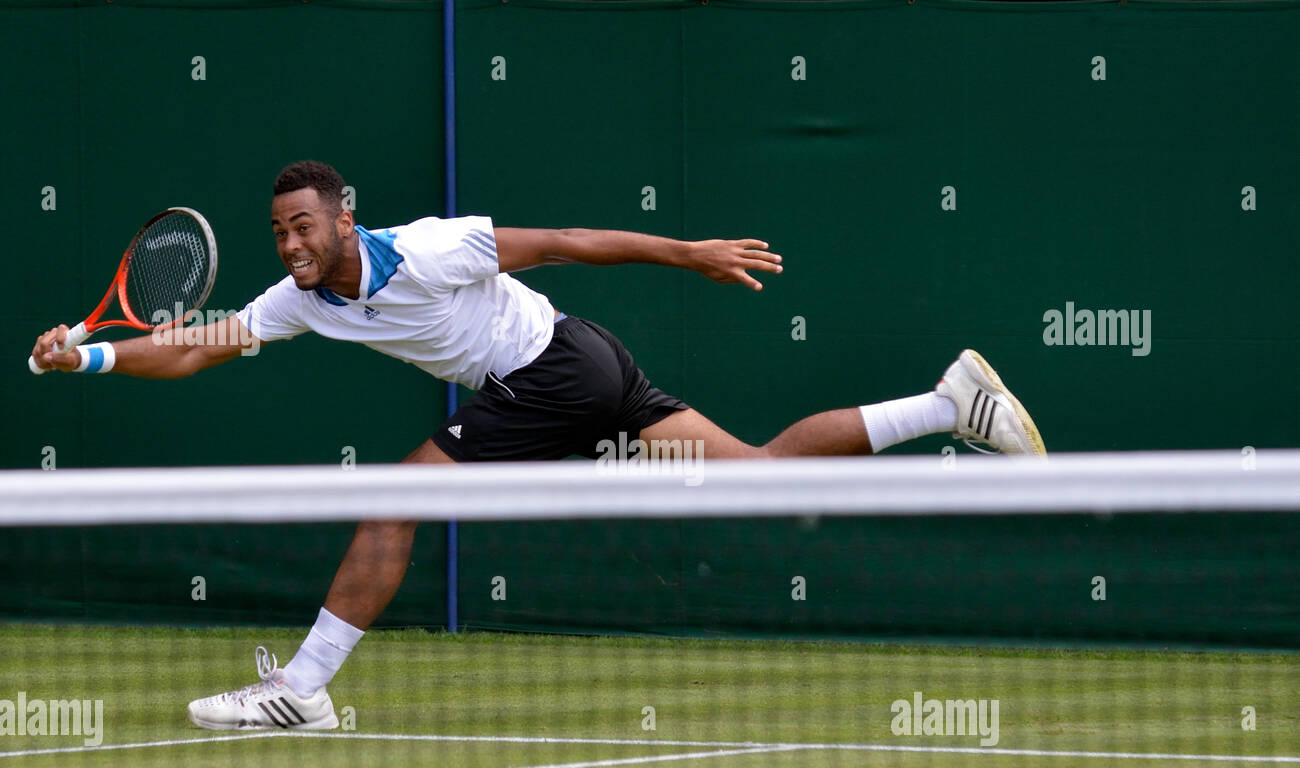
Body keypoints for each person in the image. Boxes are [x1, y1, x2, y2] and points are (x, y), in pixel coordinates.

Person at [30, 160, 1045, 731]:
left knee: (400, 497)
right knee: (761, 474)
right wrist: (95, 363)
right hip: (580, 373)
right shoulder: (297, 301)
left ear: (345, 217)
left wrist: (685, 252)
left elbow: (561, 242)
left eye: (305, 226)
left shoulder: (428, 248)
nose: (291, 245)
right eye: (279, 233)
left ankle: (302, 690)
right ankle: (947, 405)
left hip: (553, 371)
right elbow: (201, 347)